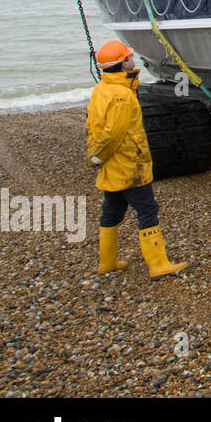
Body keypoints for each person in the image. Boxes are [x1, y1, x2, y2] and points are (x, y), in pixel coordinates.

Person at [85, 40, 188, 278]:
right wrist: (97, 157)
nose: (133, 59)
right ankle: (157, 263)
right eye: (129, 57)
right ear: (123, 64)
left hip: (112, 168)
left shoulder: (101, 90)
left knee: (111, 211)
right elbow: (114, 133)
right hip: (130, 166)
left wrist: (96, 157)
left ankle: (107, 262)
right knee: (147, 210)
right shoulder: (123, 96)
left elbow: (93, 126)